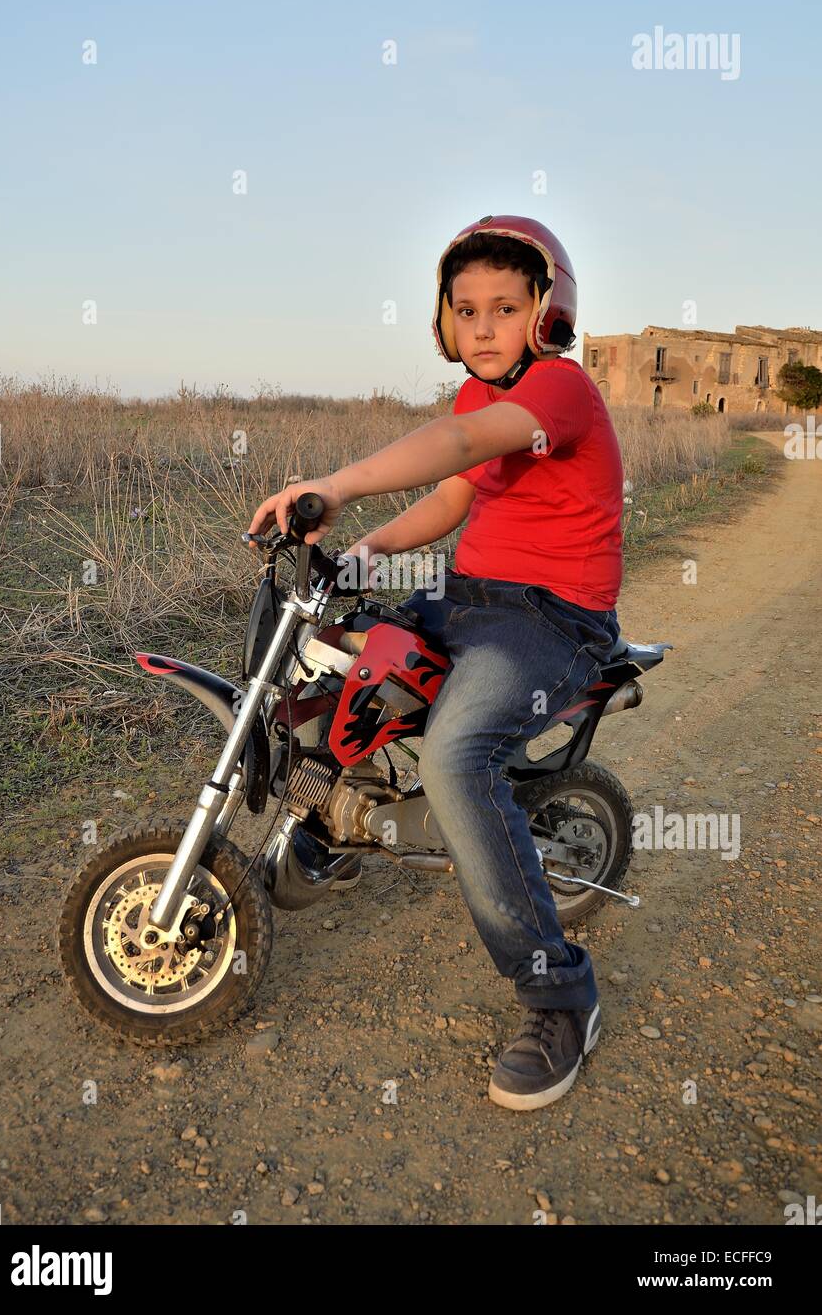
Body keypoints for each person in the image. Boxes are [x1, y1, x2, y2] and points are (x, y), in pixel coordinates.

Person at [246, 214, 624, 1110]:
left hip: (553, 622)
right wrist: (357, 558)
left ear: (545, 311)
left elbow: (454, 453)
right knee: (334, 659)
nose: (483, 325)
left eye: (504, 306)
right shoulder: (473, 402)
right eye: (466, 309)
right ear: (444, 321)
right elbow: (451, 497)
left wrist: (332, 485)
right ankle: (337, 827)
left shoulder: (562, 391)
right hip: (471, 598)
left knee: (456, 757)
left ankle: (561, 996)